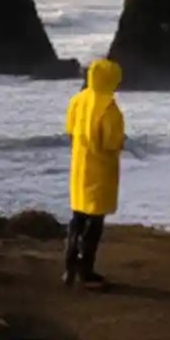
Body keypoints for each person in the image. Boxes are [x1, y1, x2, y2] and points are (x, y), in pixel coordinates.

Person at [63, 58, 125, 288]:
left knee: (77, 218)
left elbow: (70, 130)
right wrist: (121, 142)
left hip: (80, 168)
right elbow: (111, 143)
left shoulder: (78, 100)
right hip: (100, 172)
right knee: (94, 223)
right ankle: (85, 271)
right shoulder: (109, 108)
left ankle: (69, 266)